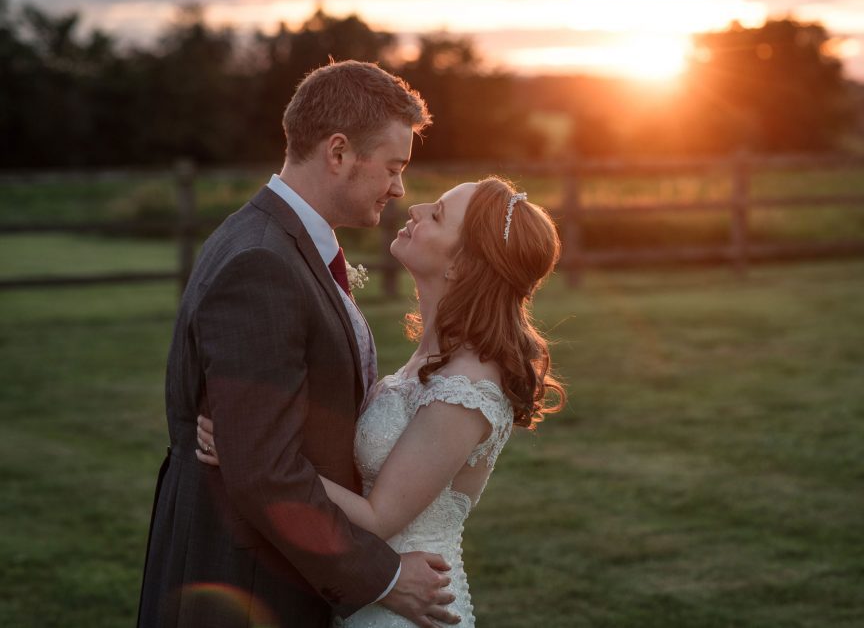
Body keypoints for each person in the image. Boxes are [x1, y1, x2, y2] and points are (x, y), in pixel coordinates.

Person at [137, 60, 460, 628]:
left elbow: (265, 444)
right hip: (245, 588)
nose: (399, 187)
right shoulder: (262, 261)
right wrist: (382, 576)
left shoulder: (278, 242)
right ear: (338, 152)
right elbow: (264, 470)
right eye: (392, 166)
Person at [195, 176, 566, 627]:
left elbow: (377, 517)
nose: (416, 208)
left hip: (405, 612)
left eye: (438, 214)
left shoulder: (468, 385)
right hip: (366, 596)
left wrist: (254, 453)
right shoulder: (434, 359)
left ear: (461, 266)